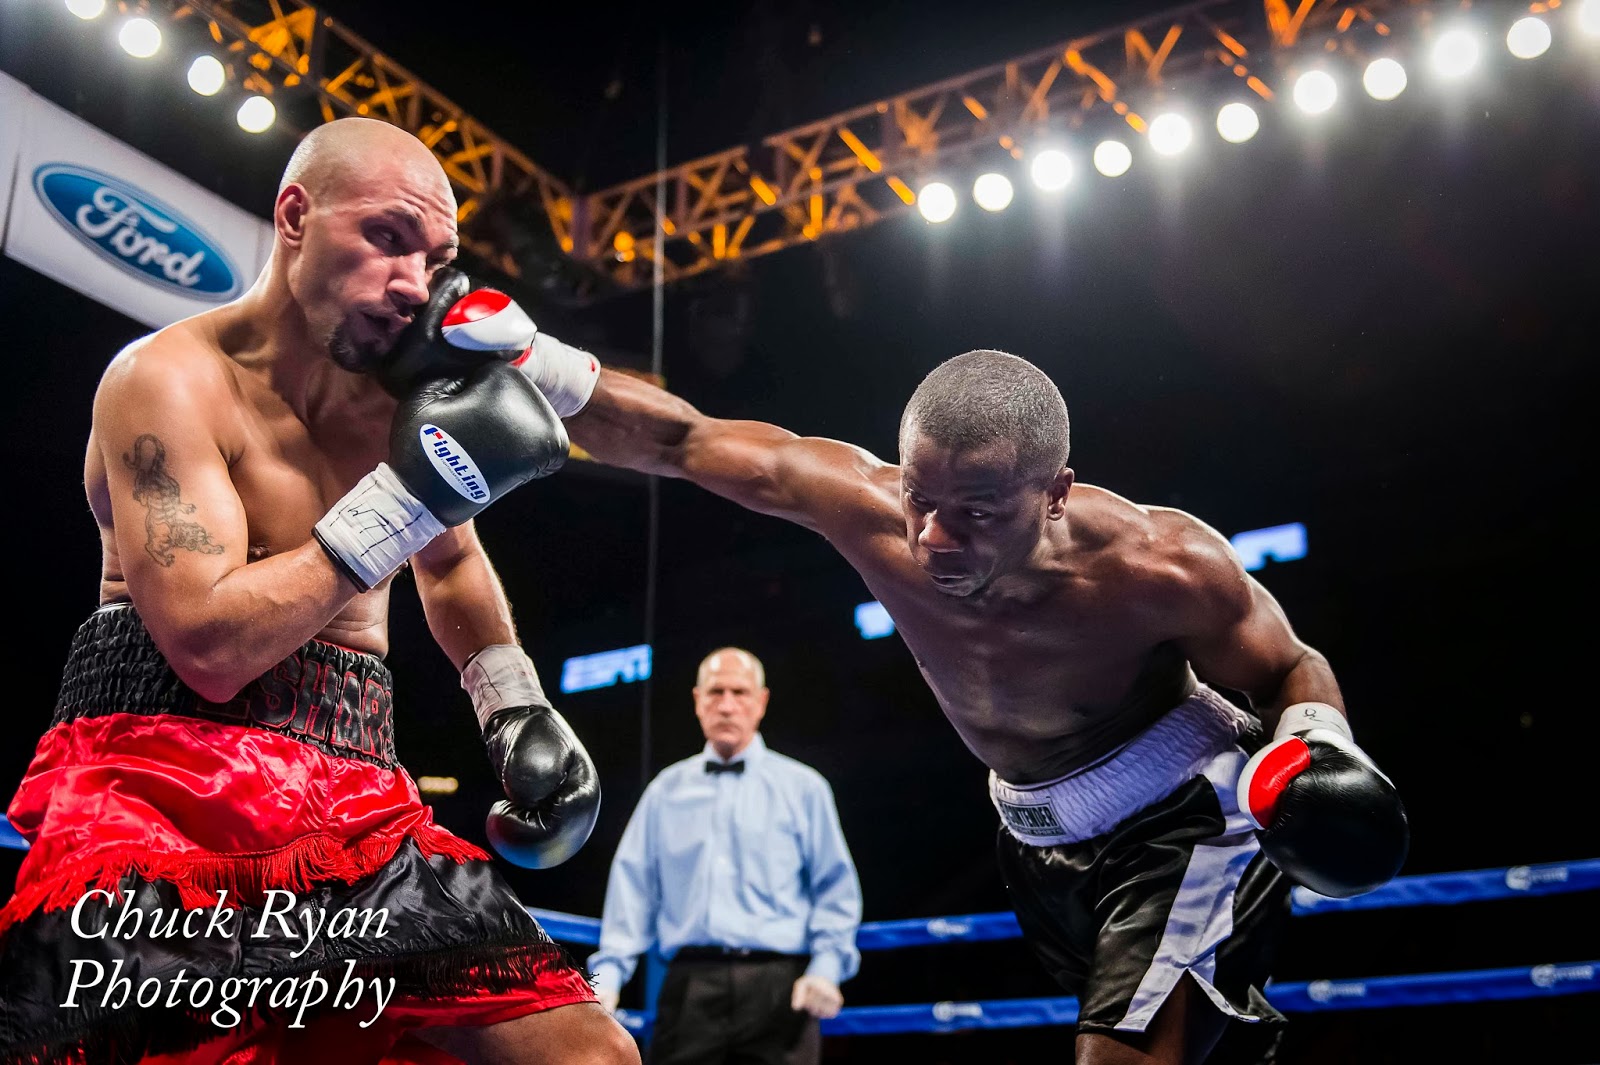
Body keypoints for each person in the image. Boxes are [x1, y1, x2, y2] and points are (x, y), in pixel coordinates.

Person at [382, 284, 1409, 1064]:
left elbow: (1288, 667)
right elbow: (685, 439)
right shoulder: (868, 507)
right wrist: (537, 356)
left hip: (1187, 822)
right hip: (1037, 840)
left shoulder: (1161, 564)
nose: (932, 537)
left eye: (976, 511)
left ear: (1055, 492)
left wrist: (1316, 749)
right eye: (920, 497)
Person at [0, 119, 638, 1065]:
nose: (415, 284)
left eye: (437, 257)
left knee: (589, 1055)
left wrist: (514, 702)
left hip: (356, 798)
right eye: (387, 237)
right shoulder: (165, 381)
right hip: (162, 786)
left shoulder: (397, 400)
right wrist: (413, 492)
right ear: (295, 215)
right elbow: (209, 649)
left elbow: (451, 558)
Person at [587, 648, 861, 1065]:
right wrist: (608, 976)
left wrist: (827, 967)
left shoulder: (804, 788)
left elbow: (834, 886)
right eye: (716, 691)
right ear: (697, 700)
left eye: (740, 691)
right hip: (688, 986)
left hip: (780, 989)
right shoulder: (666, 790)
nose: (727, 704)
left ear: (761, 701)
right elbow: (633, 887)